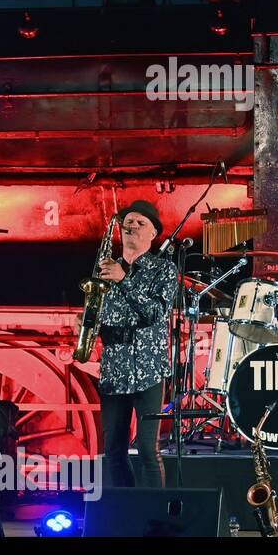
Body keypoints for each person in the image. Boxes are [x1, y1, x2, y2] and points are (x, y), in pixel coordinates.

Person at [95, 200, 175, 488]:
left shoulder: (163, 270)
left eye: (141, 223)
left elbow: (154, 313)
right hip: (114, 369)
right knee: (113, 450)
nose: (132, 227)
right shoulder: (106, 267)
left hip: (148, 369)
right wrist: (89, 323)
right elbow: (104, 311)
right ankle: (127, 512)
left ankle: (153, 520)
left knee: (146, 450)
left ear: (153, 233)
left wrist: (124, 279)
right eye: (128, 222)